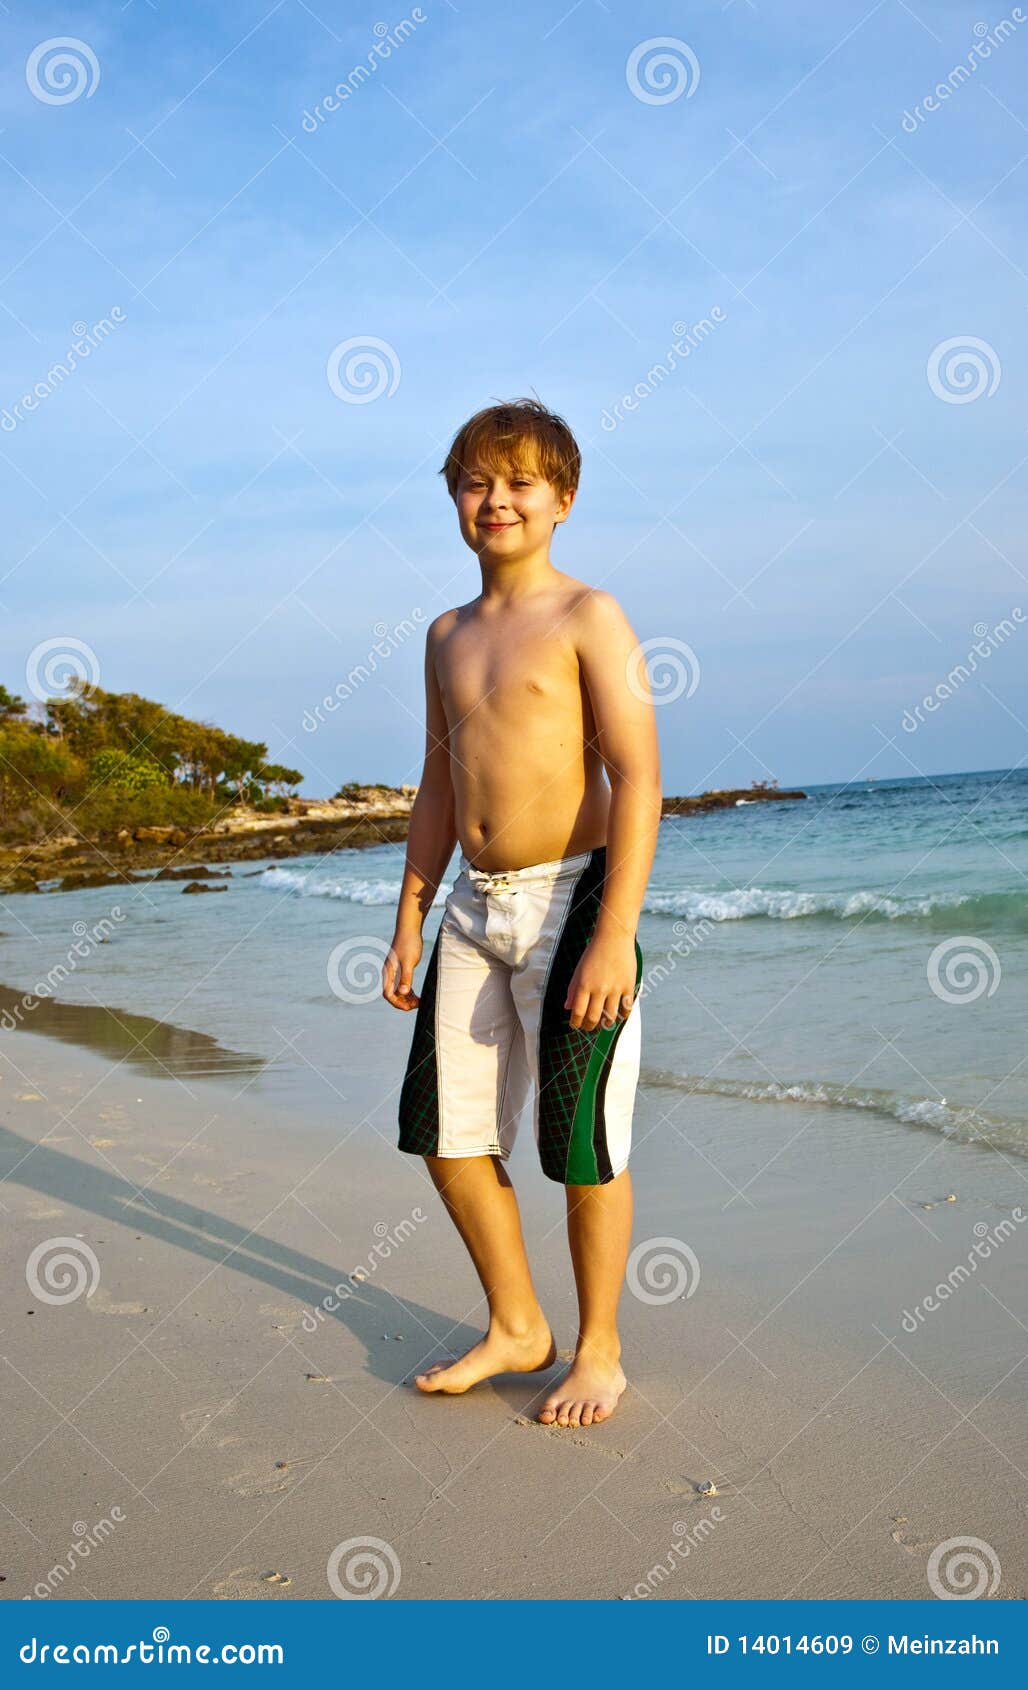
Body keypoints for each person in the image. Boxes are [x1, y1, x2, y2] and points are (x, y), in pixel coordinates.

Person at [382, 397, 661, 1428]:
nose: (493, 499)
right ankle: (515, 1325)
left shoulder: (589, 614)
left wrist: (611, 935)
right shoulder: (444, 634)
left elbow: (636, 779)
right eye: (472, 480)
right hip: (469, 908)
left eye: (516, 482)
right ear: (452, 496)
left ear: (561, 499)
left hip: (572, 898)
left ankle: (597, 1349)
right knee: (442, 1130)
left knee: (578, 1138)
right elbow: (435, 787)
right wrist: (410, 915)